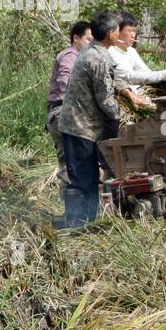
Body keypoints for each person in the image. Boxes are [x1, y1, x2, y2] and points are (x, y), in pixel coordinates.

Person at [56, 12, 151, 228]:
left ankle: (86, 221)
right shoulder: (96, 58)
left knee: (88, 177)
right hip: (79, 126)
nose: (121, 31)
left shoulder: (98, 52)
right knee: (83, 179)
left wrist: (129, 94)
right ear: (110, 34)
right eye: (118, 29)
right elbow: (106, 100)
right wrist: (127, 118)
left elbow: (114, 78)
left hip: (85, 126)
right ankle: (77, 225)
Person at [47, 20, 92, 183]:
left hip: (68, 113)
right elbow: (65, 80)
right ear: (76, 38)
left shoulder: (83, 58)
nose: (91, 44)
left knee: (73, 169)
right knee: (71, 169)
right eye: (88, 40)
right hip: (63, 112)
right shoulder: (69, 56)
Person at [108, 12, 166, 96]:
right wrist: (164, 74)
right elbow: (129, 77)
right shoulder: (111, 51)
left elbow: (145, 72)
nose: (133, 35)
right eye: (130, 31)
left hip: (139, 94)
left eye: (134, 31)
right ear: (117, 31)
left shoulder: (131, 51)